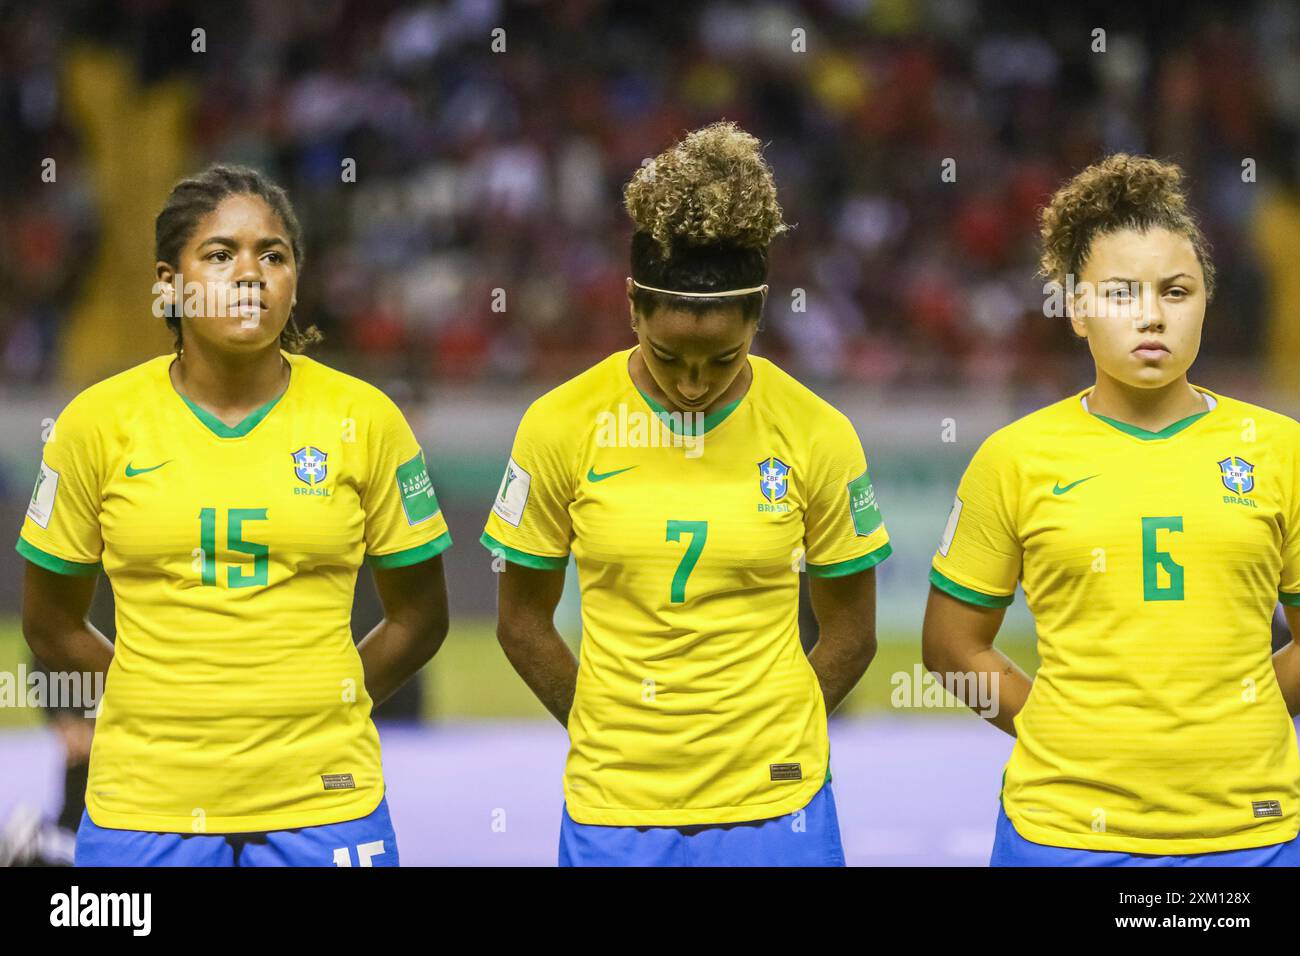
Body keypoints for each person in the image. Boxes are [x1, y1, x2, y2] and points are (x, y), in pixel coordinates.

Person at [16, 164, 452, 866]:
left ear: (295, 282)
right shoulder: (91, 425)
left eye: (271, 256)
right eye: (220, 256)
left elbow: (420, 616)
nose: (250, 274)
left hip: (326, 800)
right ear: (168, 282)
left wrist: (321, 702)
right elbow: (50, 622)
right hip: (143, 803)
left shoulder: (367, 420)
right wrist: (153, 697)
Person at [481, 122, 890, 866]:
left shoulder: (819, 433)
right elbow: (521, 623)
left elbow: (853, 633)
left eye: (724, 357)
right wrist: (606, 728)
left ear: (759, 319)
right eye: (668, 356)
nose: (694, 382)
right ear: (631, 306)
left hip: (780, 804)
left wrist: (780, 733)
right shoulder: (557, 425)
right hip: (615, 808)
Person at [923, 153, 1300, 866]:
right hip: (1060, 834)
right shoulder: (1015, 458)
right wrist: (1062, 726)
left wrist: (1232, 713)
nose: (1152, 315)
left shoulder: (1284, 452)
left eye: (1177, 291)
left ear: (1205, 303)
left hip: (1255, 834)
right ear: (1074, 310)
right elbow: (950, 647)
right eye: (1121, 293)